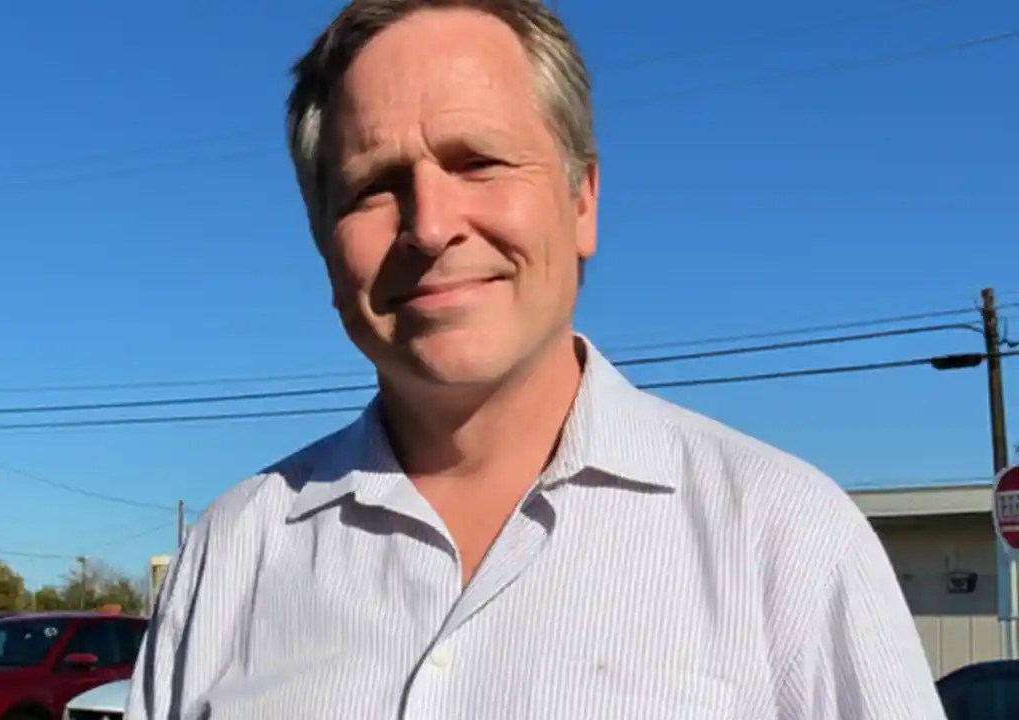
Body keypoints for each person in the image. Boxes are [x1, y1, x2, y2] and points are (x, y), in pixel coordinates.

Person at [125, 1, 945, 718]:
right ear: (321, 241)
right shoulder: (235, 550)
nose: (429, 224)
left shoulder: (786, 537)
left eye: (477, 161)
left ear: (582, 200)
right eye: (375, 184)